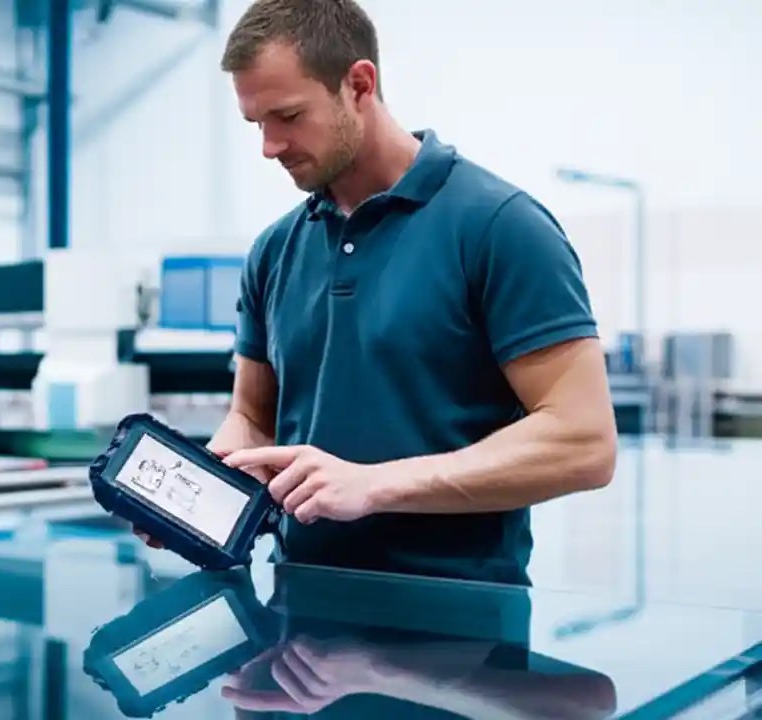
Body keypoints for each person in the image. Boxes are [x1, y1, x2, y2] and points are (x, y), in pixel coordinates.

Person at [136, 0, 618, 586]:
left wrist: (373, 485)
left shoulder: (500, 227)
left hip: (458, 630)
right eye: (257, 123)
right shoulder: (273, 251)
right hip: (301, 610)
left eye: (288, 116)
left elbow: (584, 441)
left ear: (359, 84)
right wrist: (201, 495)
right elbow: (252, 417)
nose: (269, 145)